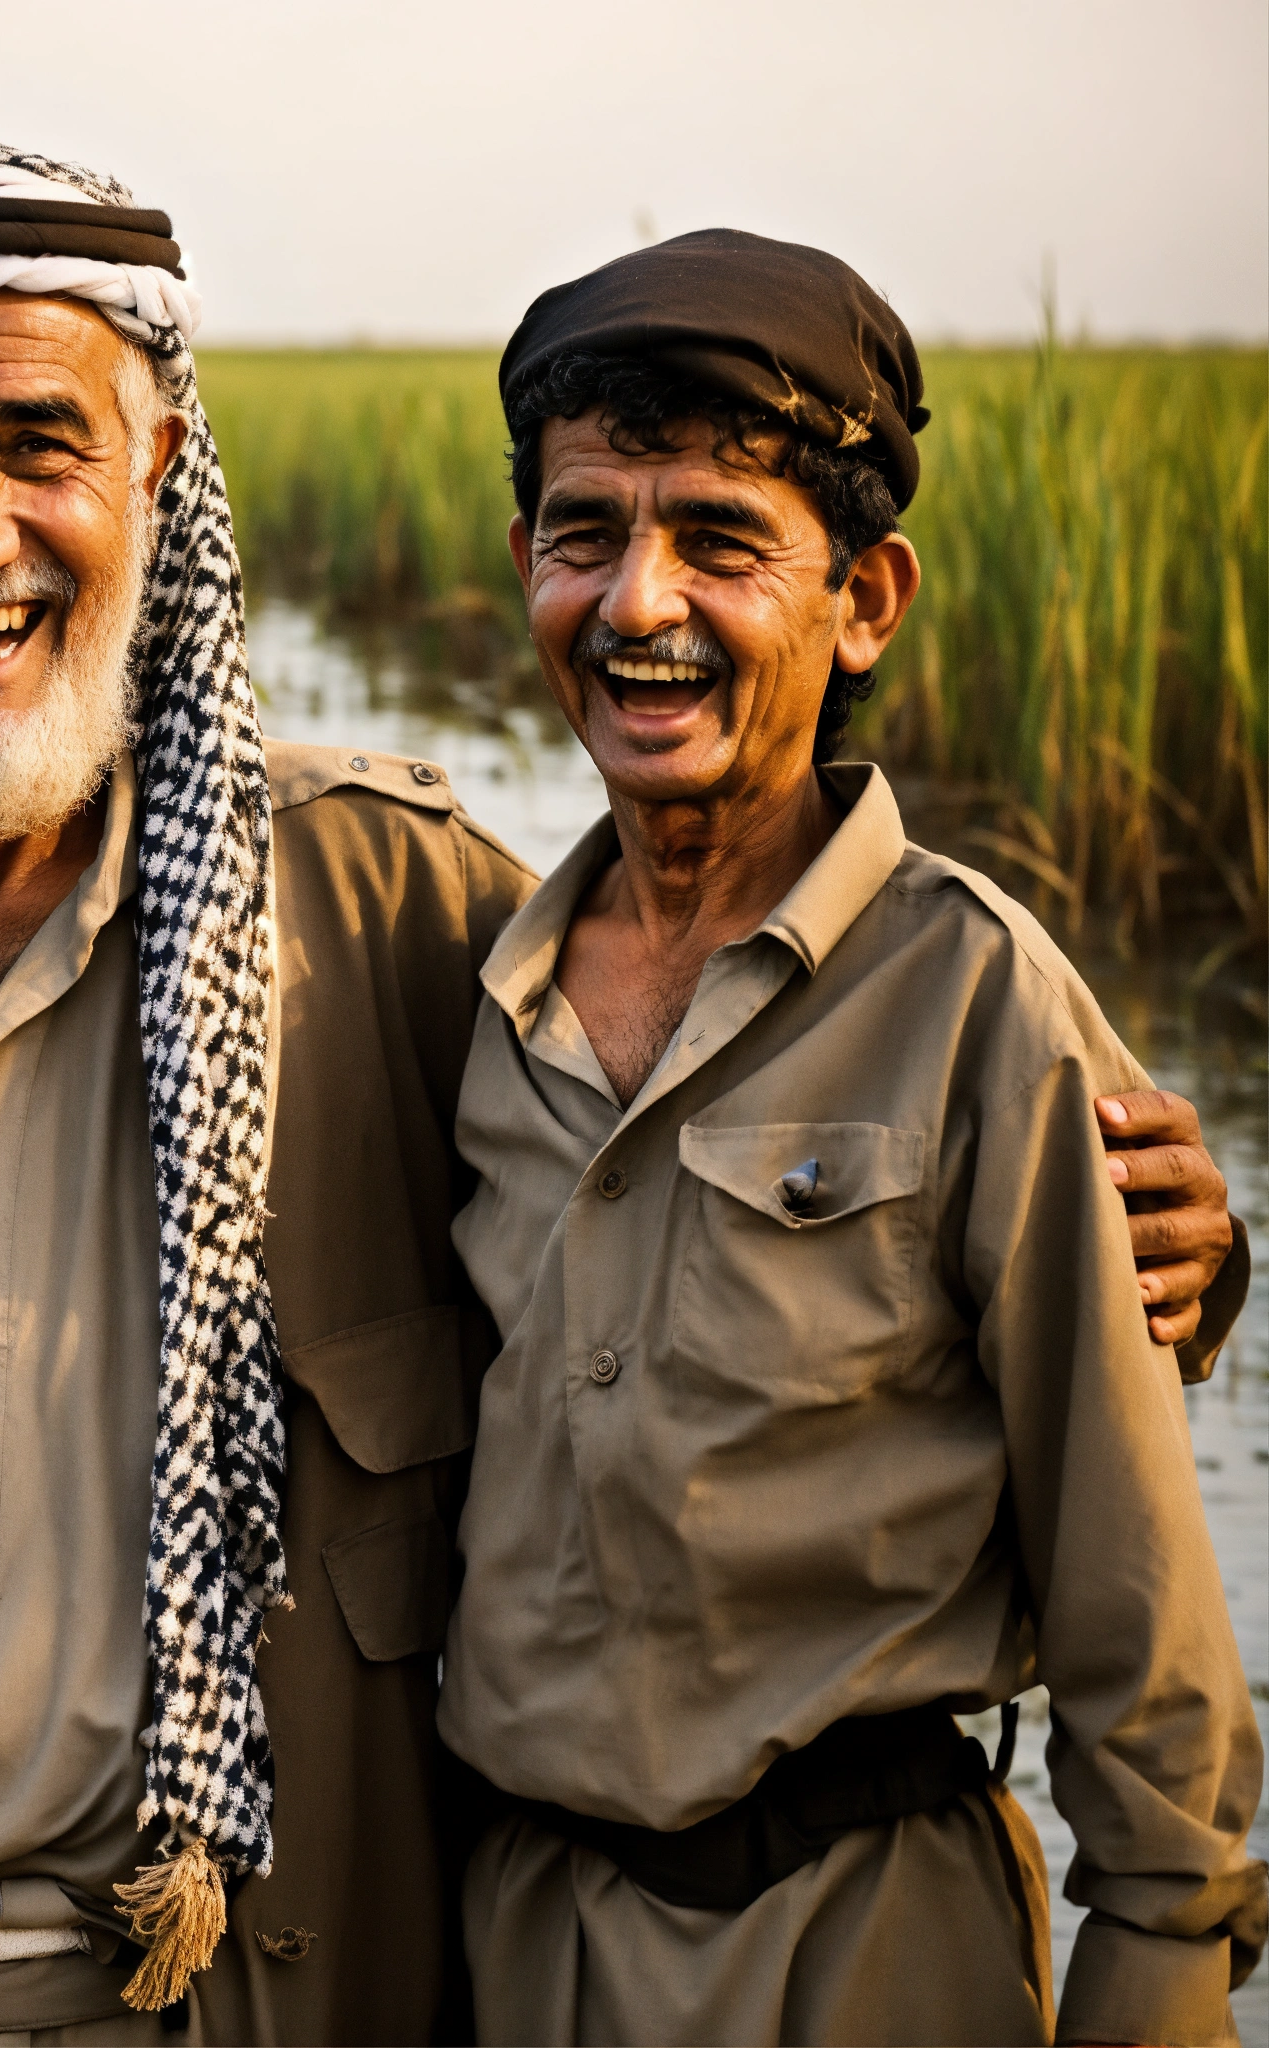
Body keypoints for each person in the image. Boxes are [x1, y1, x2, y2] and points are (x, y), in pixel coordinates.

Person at [0, 155, 1240, 2048]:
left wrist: (1143, 1245)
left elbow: (746, 1148)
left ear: (157, 479)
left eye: (40, 446)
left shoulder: (380, 927)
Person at [438, 229, 1265, 2048]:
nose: (638, 601)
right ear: (527, 567)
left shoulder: (977, 999)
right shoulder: (478, 1004)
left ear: (866, 599)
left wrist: (1165, 1953)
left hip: (861, 1943)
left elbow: (1136, 1567)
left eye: (721, 542)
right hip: (516, 1941)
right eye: (587, 531)